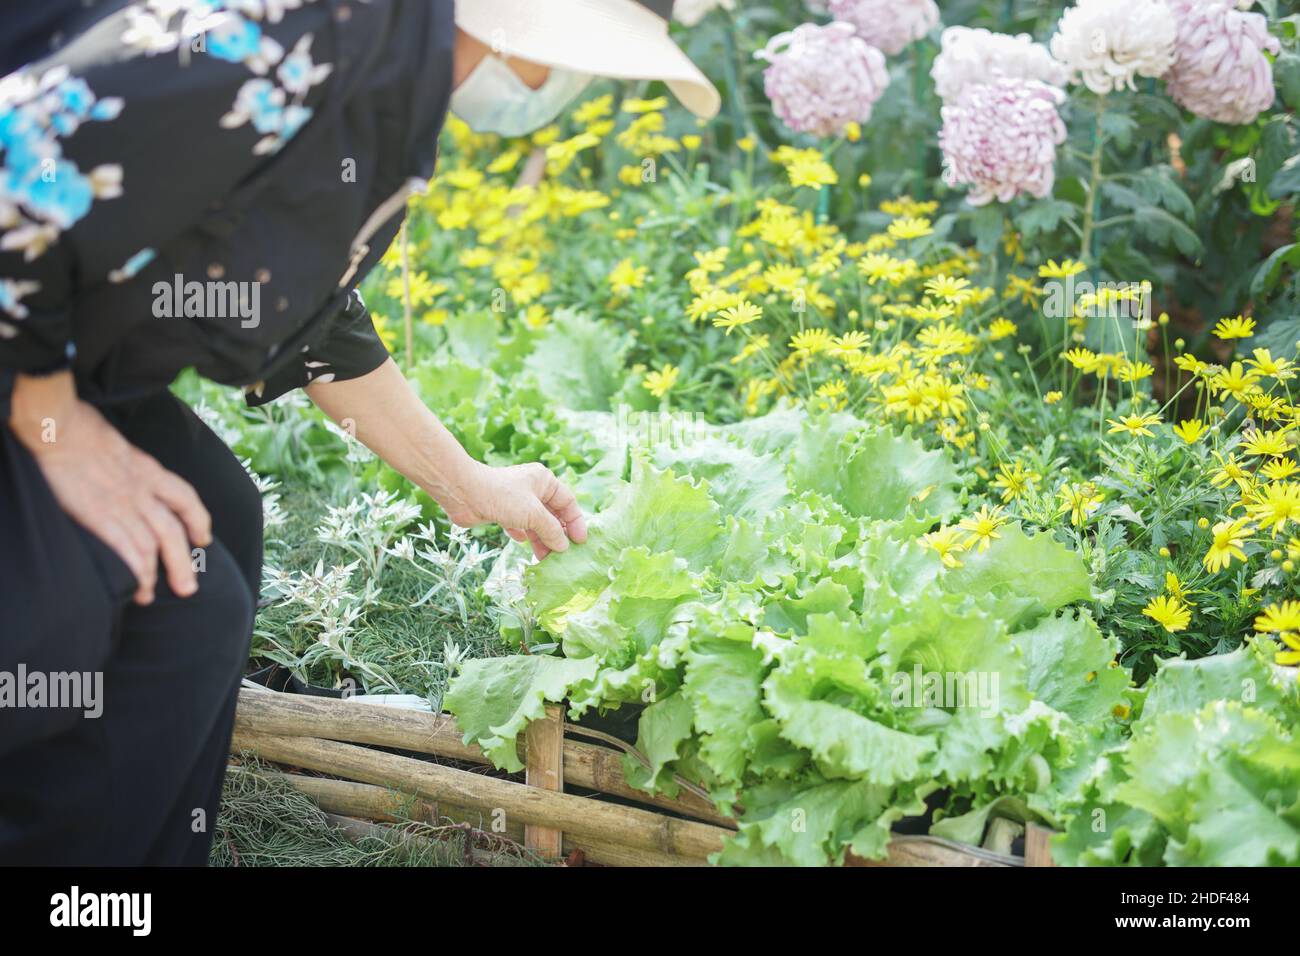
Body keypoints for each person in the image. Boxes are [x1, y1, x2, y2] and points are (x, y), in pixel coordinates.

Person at [0, 0, 718, 865]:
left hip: (53, 346)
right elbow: (16, 152)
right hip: (23, 348)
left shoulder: (383, 73)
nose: (576, 85)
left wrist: (464, 481)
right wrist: (55, 430)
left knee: (213, 525)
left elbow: (314, 321)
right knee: (104, 602)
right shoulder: (297, 34)